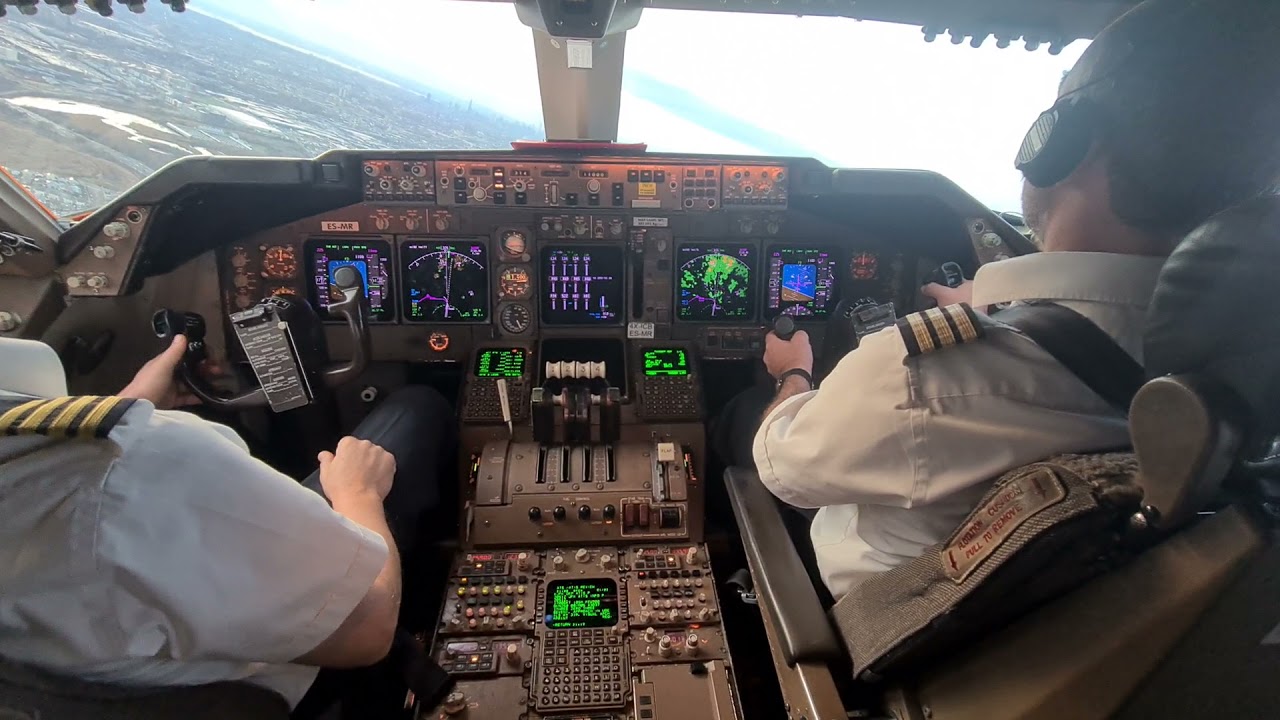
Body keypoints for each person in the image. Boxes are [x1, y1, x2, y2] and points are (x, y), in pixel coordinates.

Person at [717, 0, 1280, 601]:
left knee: (746, 417)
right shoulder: (1239, 366)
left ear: (1058, 142)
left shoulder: (921, 376)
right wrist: (1003, 317)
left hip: (873, 617)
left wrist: (794, 372)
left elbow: (785, 463)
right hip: (1032, 608)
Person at [0, 333, 456, 714]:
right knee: (416, 408)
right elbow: (368, 631)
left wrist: (130, 406)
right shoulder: (144, 460)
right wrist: (359, 494)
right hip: (279, 683)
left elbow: (65, 489)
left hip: (114, 673)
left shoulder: (87, 464)